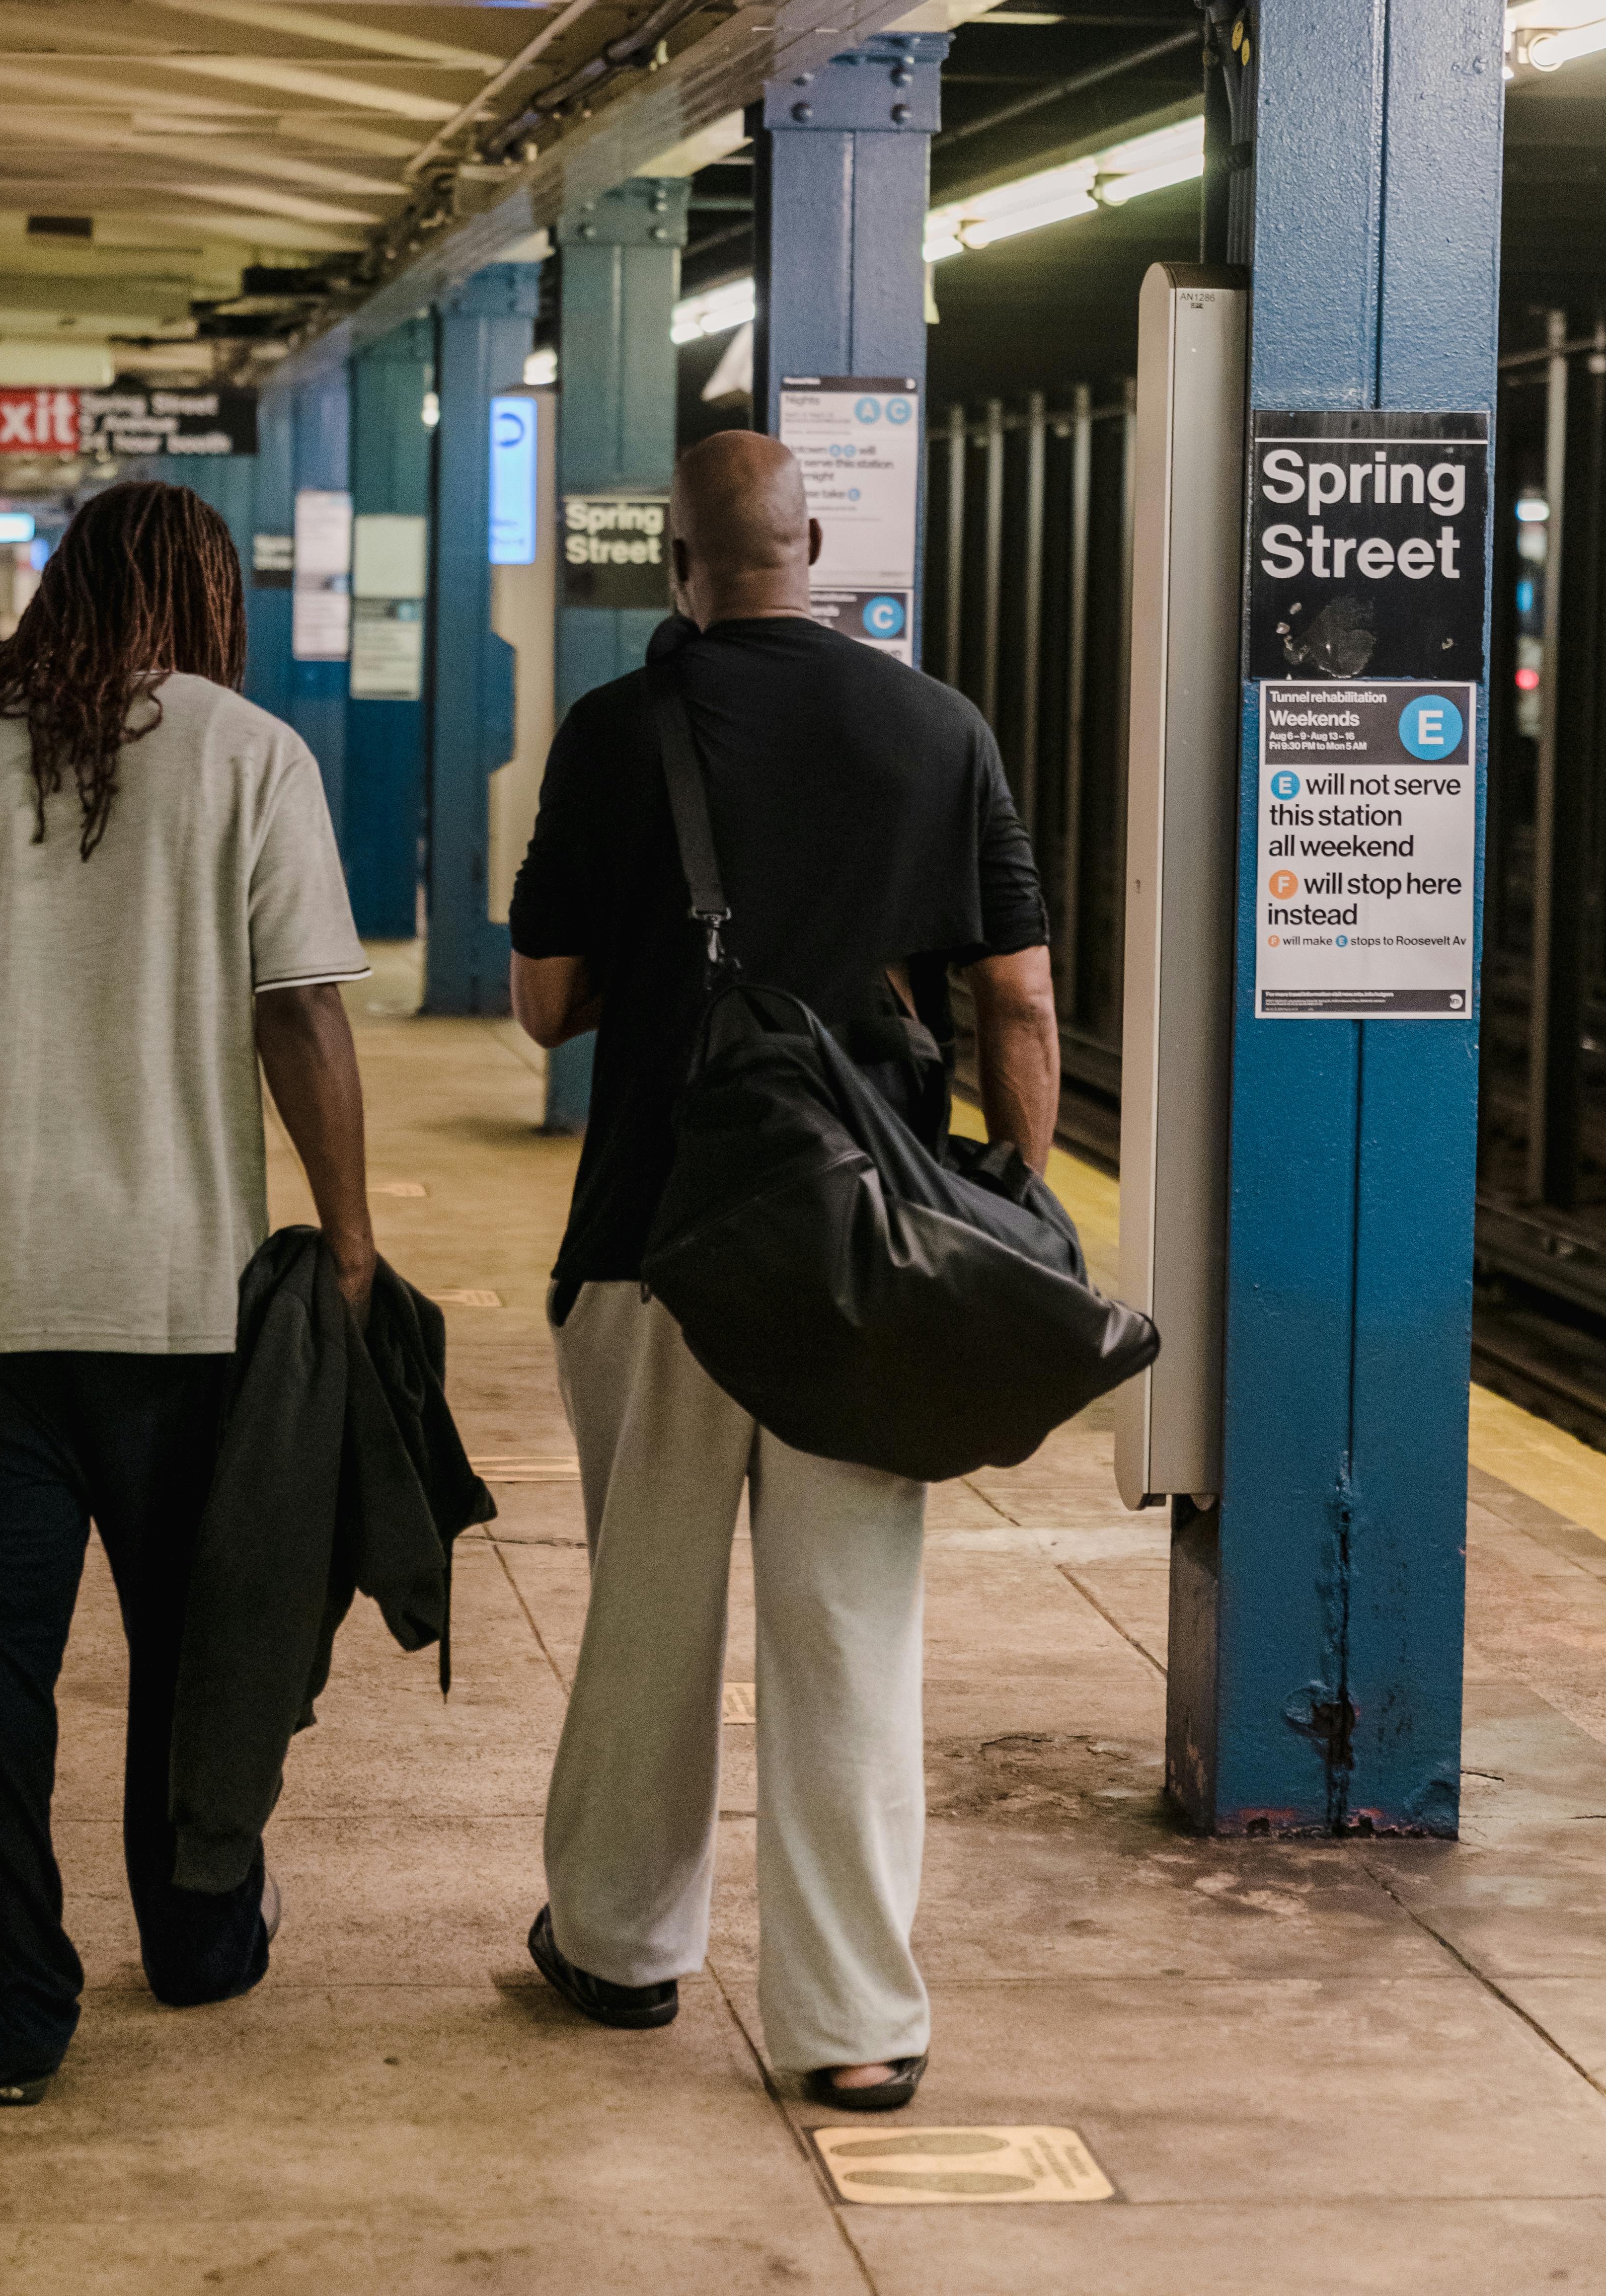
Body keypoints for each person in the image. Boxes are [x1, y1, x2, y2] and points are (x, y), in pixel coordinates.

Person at [0, 481, 376, 2106]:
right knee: (192, 1648)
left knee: (4, 1665)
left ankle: (16, 2020)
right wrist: (344, 1240)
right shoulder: (251, 754)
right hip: (184, 1298)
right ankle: (196, 1942)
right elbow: (305, 1022)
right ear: (201, 598)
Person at [507, 428, 1058, 2111]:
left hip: (659, 1238)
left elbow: (545, 1000)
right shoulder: (937, 726)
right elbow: (1020, 1002)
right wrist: (1011, 1203)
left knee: (648, 1618)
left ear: (677, 563)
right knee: (849, 1635)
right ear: (811, 543)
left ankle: (617, 1952)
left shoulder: (615, 732)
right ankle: (851, 2024)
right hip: (868, 1256)